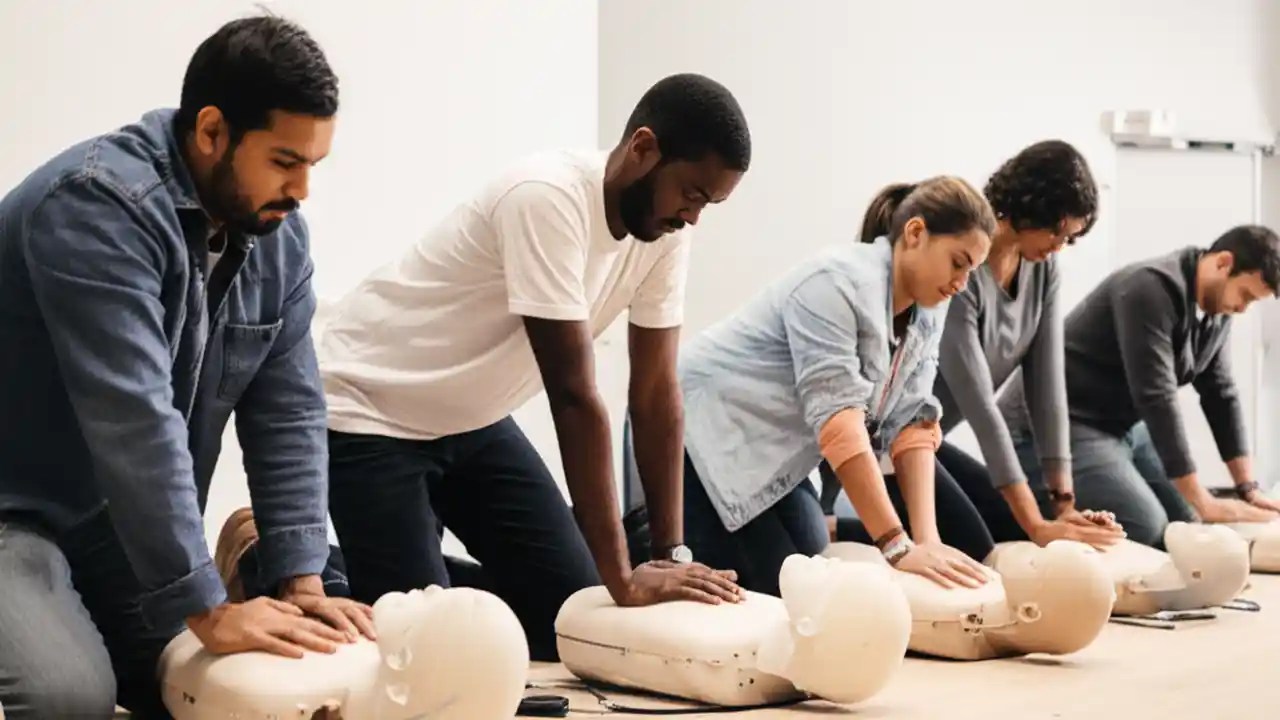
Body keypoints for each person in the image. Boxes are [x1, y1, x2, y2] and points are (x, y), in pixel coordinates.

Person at [287, 73, 749, 662]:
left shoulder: (664, 232)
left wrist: (670, 557)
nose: (694, 216)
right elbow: (574, 396)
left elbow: (656, 393)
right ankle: (286, 567)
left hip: (472, 420)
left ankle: (417, 579)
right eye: (692, 193)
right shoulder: (546, 197)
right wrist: (625, 579)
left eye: (709, 203)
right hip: (372, 411)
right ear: (643, 149)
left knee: (572, 621)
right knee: (428, 650)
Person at [0, 15, 368, 719]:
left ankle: (240, 563)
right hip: (14, 507)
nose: (302, 190)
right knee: (66, 697)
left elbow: (288, 409)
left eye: (312, 166)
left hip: (104, 515)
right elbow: (132, 418)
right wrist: (203, 605)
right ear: (210, 132)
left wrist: (301, 579)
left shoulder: (277, 235)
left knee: (232, 688)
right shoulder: (94, 208)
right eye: (285, 161)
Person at [668, 176, 997, 596]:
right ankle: (641, 533)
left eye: (971, 271)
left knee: (809, 543)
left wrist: (926, 539)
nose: (962, 282)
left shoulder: (929, 308)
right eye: (958, 262)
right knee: (774, 589)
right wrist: (896, 546)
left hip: (767, 450)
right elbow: (839, 422)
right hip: (700, 427)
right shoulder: (837, 282)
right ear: (915, 233)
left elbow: (913, 420)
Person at [998, 224, 1280, 548]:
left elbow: (1221, 394)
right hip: (1052, 424)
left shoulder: (1217, 312)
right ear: (1223, 263)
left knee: (1185, 521)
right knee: (1146, 527)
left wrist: (1248, 488)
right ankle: (1020, 515)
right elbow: (1156, 397)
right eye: (1245, 295)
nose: (1243, 308)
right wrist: (1203, 499)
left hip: (1120, 426)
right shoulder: (1148, 286)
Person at [928, 141, 1125, 549]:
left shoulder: (1042, 271)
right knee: (981, 539)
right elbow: (981, 407)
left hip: (930, 443)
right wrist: (1038, 525)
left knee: (1011, 527)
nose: (1059, 245)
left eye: (1069, 239)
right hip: (891, 439)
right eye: (1056, 231)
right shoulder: (964, 268)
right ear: (1030, 205)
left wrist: (1063, 504)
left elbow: (1048, 391)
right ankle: (841, 527)